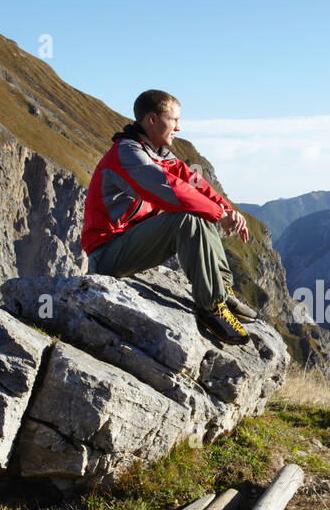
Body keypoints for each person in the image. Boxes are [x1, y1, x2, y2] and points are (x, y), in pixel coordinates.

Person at [81, 90, 258, 345]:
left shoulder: (158, 153)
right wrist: (219, 215)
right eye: (173, 120)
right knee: (187, 218)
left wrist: (225, 209)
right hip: (107, 255)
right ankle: (211, 307)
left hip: (129, 244)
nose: (179, 127)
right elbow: (168, 188)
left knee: (200, 211)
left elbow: (193, 182)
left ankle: (221, 288)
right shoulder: (128, 154)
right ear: (152, 120)